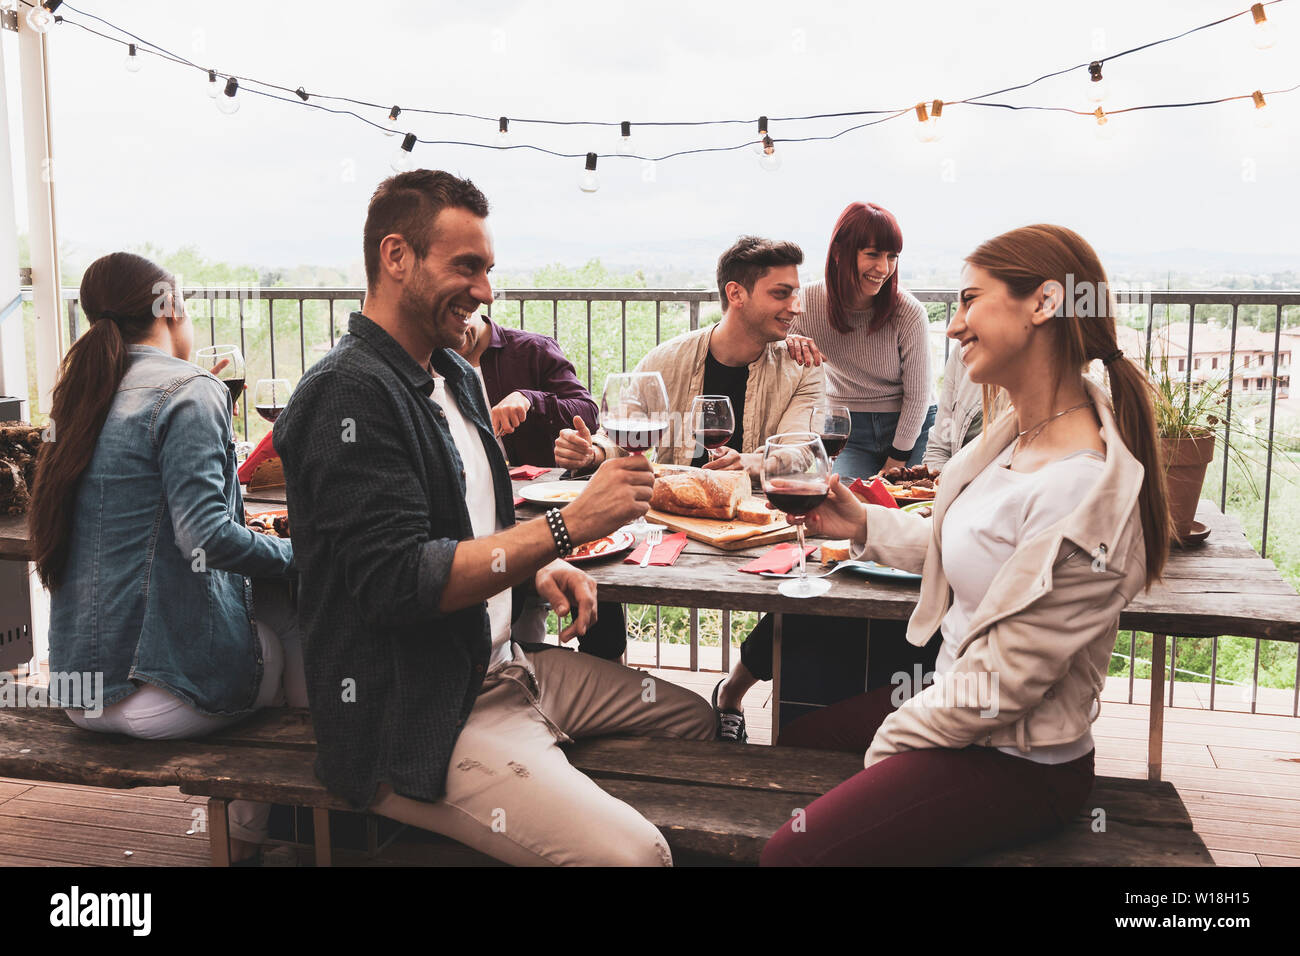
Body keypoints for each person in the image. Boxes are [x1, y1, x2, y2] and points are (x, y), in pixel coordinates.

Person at [272, 170, 714, 867]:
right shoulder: (346, 395)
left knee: (697, 721)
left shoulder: (455, 373)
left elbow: (476, 526)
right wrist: (569, 526)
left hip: (508, 668)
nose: (485, 291)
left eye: (488, 270)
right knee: (636, 859)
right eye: (466, 268)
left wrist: (543, 566)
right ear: (396, 257)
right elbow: (396, 581)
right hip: (419, 710)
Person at [761, 224, 1171, 865]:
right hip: (954, 694)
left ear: (1043, 304)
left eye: (971, 301)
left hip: (1016, 759)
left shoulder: (1081, 488)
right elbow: (985, 551)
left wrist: (892, 748)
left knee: (788, 857)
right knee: (800, 739)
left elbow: (1003, 686)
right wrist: (866, 525)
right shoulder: (1017, 436)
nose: (954, 327)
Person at [31, 252, 303, 865]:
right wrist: (303, 552)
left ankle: (265, 834)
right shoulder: (191, 390)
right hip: (162, 699)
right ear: (171, 308)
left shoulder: (79, 395)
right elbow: (207, 540)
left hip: (79, 693)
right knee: (289, 626)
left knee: (266, 612)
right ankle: (267, 834)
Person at [553, 236, 826, 477]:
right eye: (781, 294)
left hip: (759, 513)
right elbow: (621, 436)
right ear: (736, 294)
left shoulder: (802, 366)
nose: (796, 308)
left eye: (795, 294)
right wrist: (590, 454)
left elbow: (799, 449)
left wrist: (751, 462)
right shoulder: (665, 361)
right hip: (672, 512)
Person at [455, 312, 625, 661]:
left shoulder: (531, 350)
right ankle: (517, 666)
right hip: (478, 514)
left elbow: (588, 412)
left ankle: (600, 670)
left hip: (543, 505)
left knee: (595, 582)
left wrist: (531, 399)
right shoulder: (433, 361)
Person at [783, 201, 937, 481]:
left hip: (913, 425)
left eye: (892, 256)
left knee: (909, 502)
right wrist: (788, 341)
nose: (883, 267)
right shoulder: (805, 303)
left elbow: (918, 397)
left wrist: (895, 463)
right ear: (840, 252)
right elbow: (765, 344)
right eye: (873, 254)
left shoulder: (909, 312)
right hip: (847, 429)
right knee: (843, 498)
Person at [456, 310, 598, 467]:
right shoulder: (432, 360)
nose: (455, 337)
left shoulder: (534, 349)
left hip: (533, 487)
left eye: (461, 316)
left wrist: (530, 399)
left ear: (475, 303)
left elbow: (589, 415)